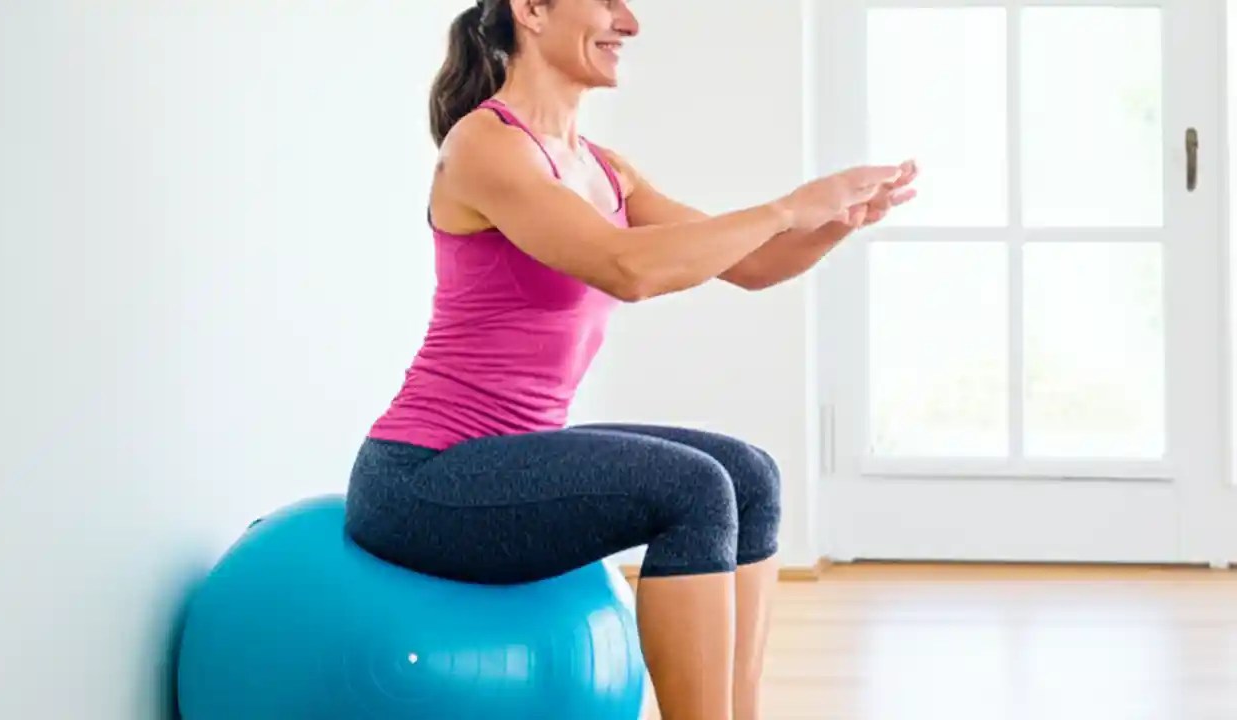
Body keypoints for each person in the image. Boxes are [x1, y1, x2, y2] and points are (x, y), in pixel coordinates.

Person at [345, 1, 918, 718]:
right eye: (608, 1)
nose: (630, 21)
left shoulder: (604, 170)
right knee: (692, 489)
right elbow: (627, 268)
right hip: (422, 478)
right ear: (531, 10)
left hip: (511, 455)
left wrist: (836, 220)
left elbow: (752, 265)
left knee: (751, 474)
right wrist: (785, 207)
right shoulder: (486, 145)